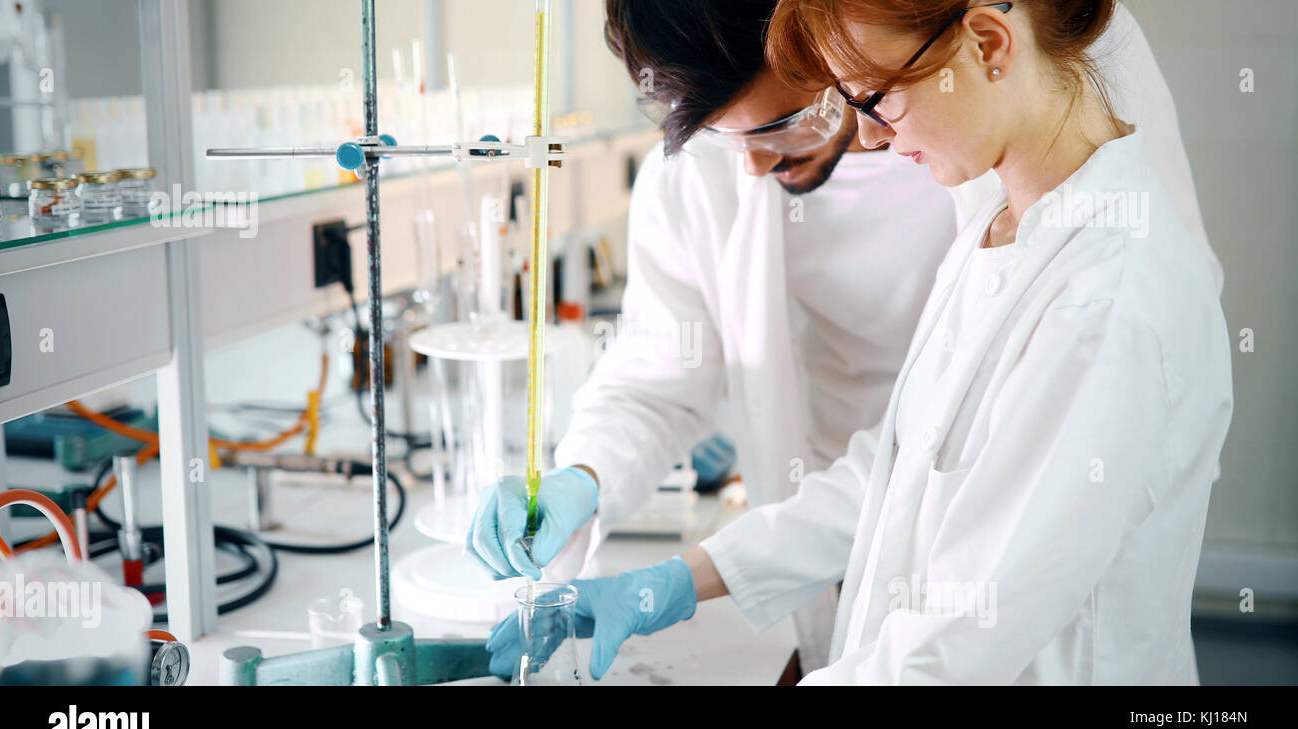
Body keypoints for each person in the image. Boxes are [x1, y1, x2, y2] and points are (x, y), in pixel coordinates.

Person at [472, 0, 1226, 681]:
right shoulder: (997, 229)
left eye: (851, 95)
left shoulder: (1096, 278)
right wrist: (656, 554)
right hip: (857, 567)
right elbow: (901, 459)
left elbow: (960, 638)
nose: (753, 165)